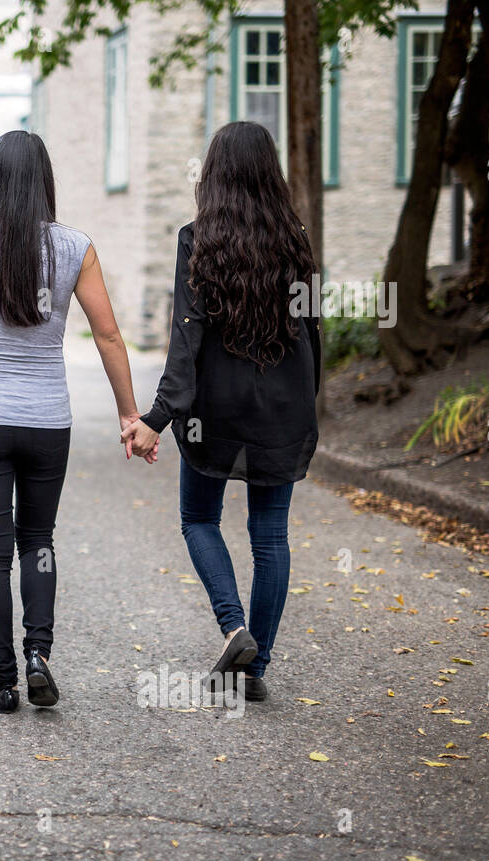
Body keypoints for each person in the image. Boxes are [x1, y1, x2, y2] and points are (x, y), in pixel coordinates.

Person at [0, 130, 143, 713]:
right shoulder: (76, 246)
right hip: (48, 420)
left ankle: (3, 681)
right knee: (39, 542)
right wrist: (130, 414)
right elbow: (108, 334)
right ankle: (38, 655)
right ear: (44, 179)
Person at [122, 121, 320, 703]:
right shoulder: (296, 238)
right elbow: (313, 329)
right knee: (271, 536)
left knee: (198, 519)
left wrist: (155, 419)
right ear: (270, 172)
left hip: (216, 410)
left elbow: (187, 341)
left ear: (212, 175)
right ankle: (255, 666)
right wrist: (308, 401)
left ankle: (235, 629)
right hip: (283, 405)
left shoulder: (197, 239)